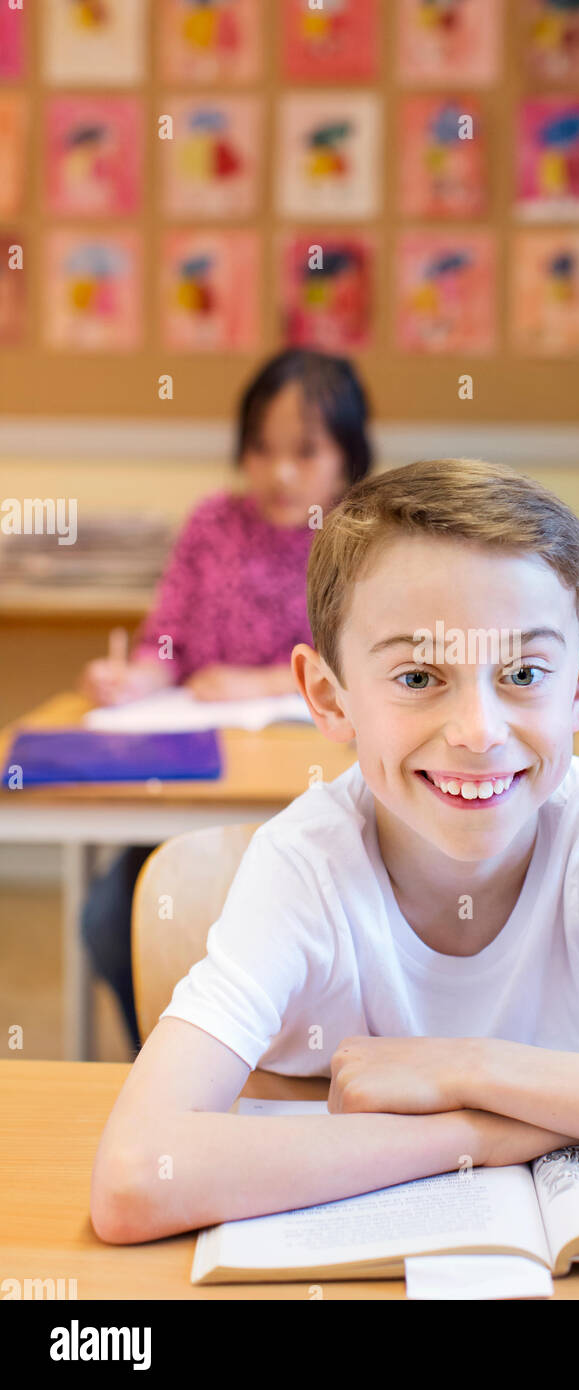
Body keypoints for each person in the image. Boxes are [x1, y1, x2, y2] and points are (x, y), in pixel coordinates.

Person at [91, 457, 579, 1246]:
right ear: (328, 696)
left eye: (525, 672)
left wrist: (470, 1069)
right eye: (419, 676)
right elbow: (136, 1176)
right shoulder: (305, 866)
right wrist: (480, 1137)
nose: (479, 732)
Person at [78, 349, 373, 1053]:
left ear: (348, 455)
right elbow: (169, 641)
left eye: (305, 451)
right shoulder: (213, 524)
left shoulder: (368, 537)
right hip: (195, 785)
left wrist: (268, 680)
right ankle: (164, 1065)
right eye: (261, 448)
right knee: (111, 918)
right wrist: (141, 677)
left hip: (322, 800)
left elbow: (382, 665)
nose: (279, 472)